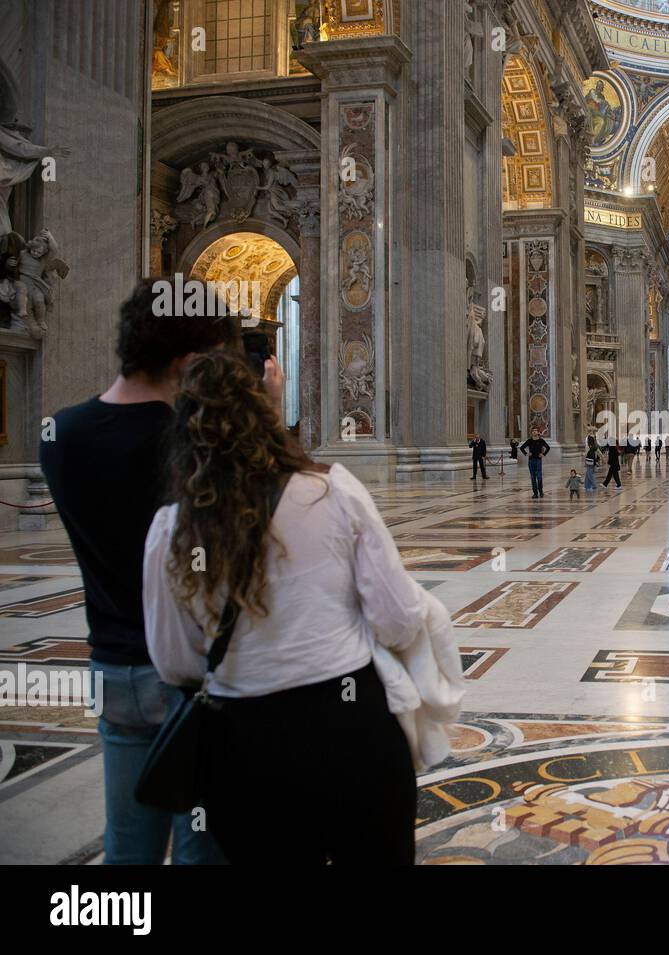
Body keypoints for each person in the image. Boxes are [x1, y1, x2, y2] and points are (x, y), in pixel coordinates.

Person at [143, 351, 464, 864]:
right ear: (268, 414)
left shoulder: (170, 530)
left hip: (242, 745)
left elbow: (174, 661)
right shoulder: (332, 490)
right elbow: (399, 619)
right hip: (350, 729)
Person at [40, 281, 241, 865]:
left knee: (127, 846)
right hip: (190, 675)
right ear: (191, 362)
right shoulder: (191, 444)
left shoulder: (61, 436)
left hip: (112, 667)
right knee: (203, 848)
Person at [521, 428, 550, 498]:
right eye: (533, 431)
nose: (534, 432)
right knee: (533, 477)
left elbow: (548, 447)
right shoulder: (529, 441)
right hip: (531, 461)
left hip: (538, 461)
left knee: (539, 477)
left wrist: (543, 454)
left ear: (538, 432)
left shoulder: (541, 440)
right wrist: (526, 453)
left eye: (536, 431)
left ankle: (541, 491)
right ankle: (535, 493)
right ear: (531, 433)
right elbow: (522, 448)